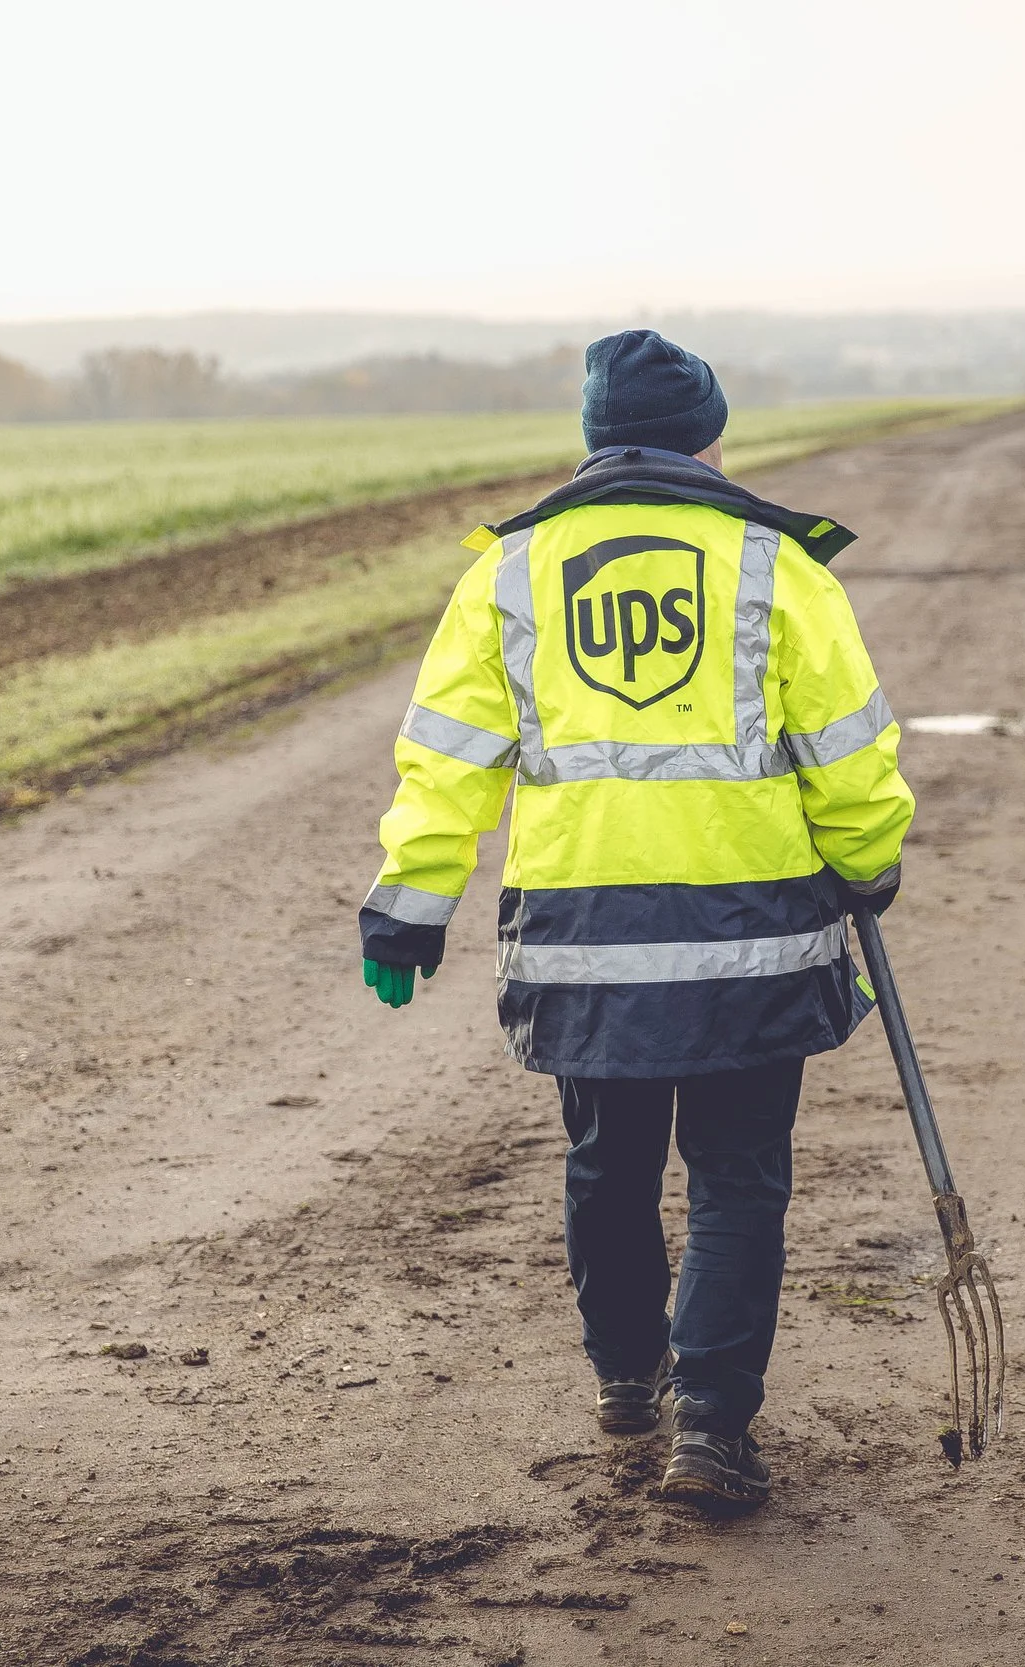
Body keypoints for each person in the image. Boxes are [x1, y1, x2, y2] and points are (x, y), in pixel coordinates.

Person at [358, 330, 913, 1514]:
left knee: (608, 1165)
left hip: (582, 937)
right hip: (752, 937)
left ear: (592, 438)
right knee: (737, 1178)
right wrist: (869, 864)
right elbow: (849, 756)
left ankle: (625, 1379)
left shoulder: (508, 571)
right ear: (710, 436)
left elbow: (448, 759)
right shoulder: (776, 565)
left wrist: (409, 907)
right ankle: (709, 1430)